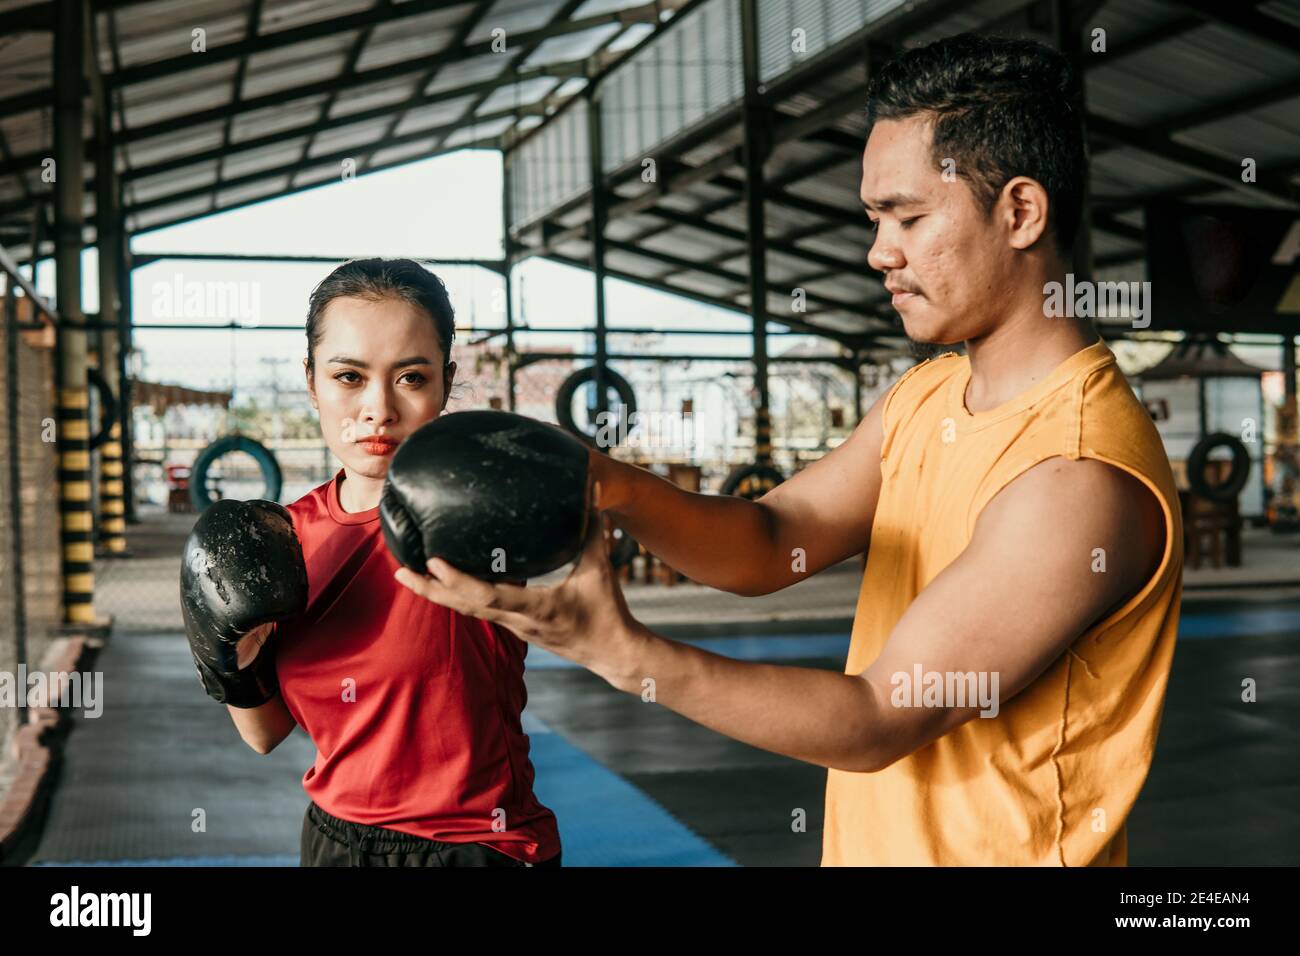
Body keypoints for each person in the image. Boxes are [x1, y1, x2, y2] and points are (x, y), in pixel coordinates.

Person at [394, 33, 1184, 866]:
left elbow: (882, 716)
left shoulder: (1076, 477)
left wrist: (622, 655)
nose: (880, 252)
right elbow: (774, 540)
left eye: (909, 217)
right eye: (876, 219)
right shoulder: (927, 396)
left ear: (1021, 212)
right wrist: (603, 481)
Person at [182, 258, 561, 867]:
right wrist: (230, 656)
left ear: (444, 383)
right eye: (349, 377)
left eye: (411, 378)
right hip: (334, 840)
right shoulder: (283, 541)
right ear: (311, 382)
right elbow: (264, 734)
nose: (379, 408)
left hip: (471, 847)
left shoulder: (476, 514)